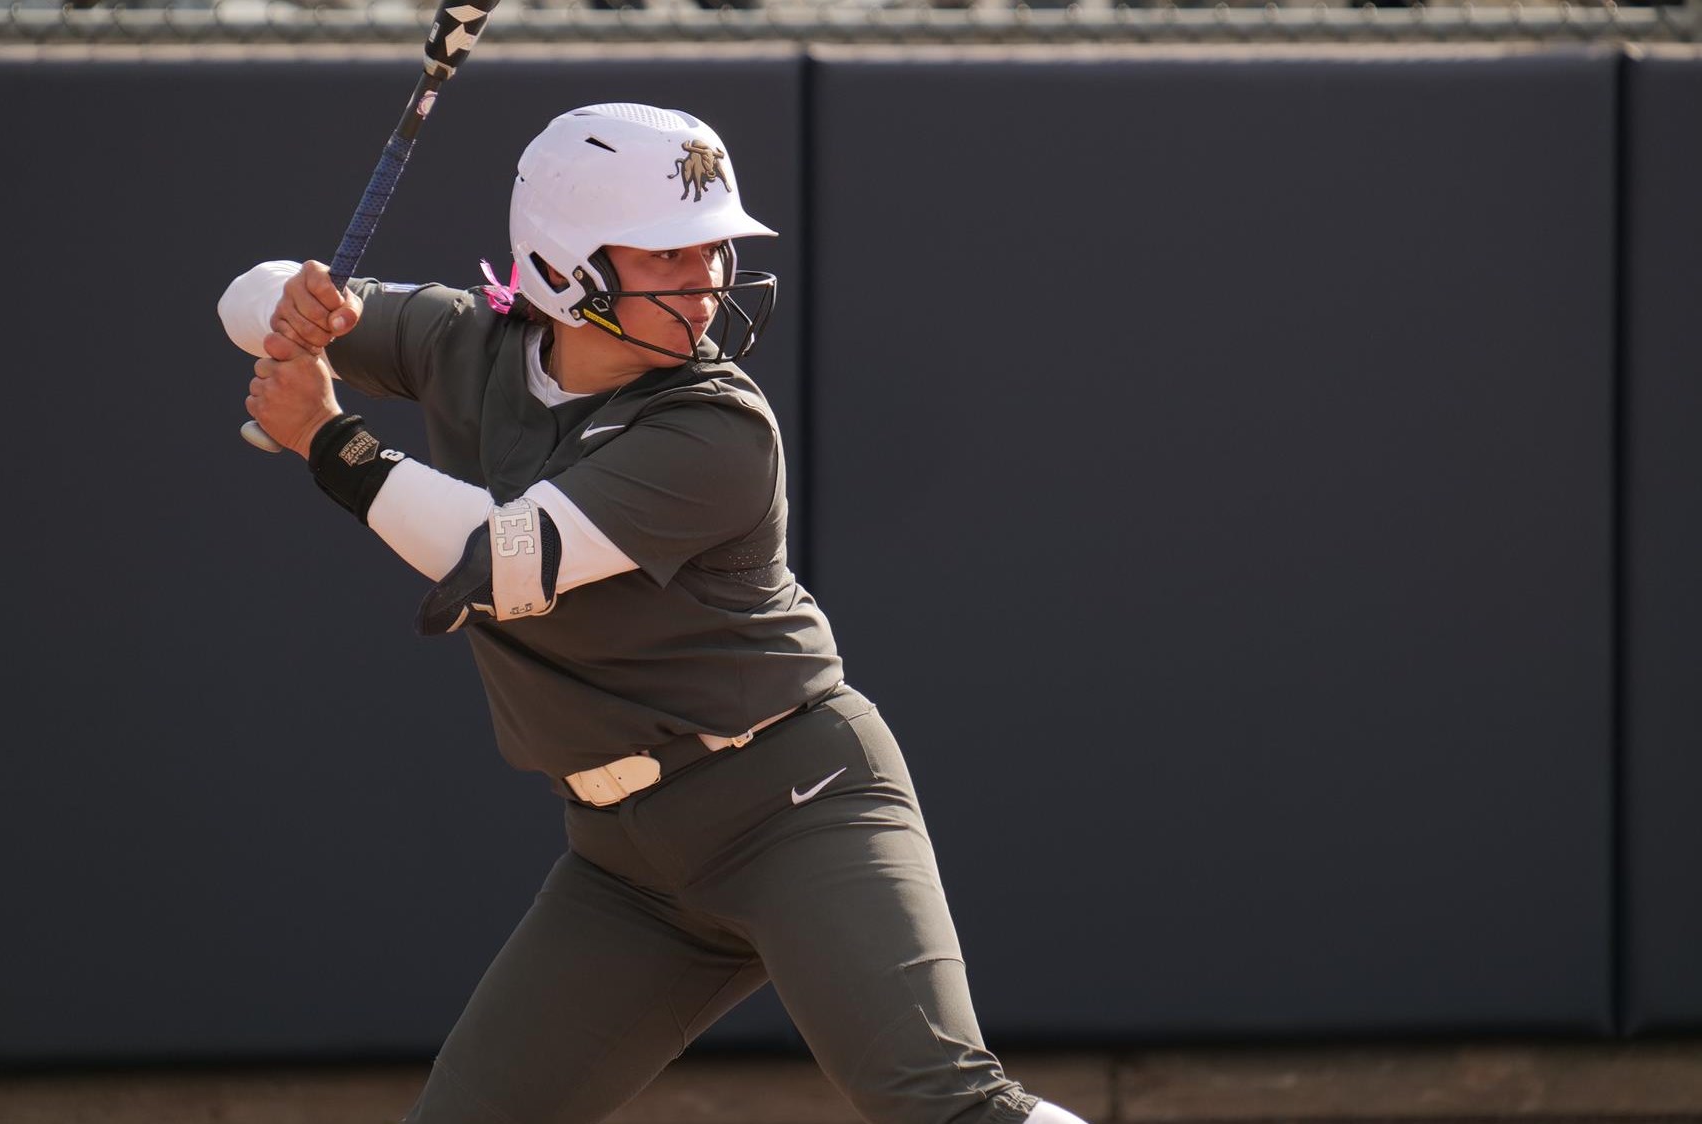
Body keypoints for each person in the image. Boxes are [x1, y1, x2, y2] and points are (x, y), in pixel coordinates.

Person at [218, 102, 1090, 1124]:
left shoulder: (715, 426)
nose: (708, 280)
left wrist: (331, 440)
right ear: (560, 266)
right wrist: (299, 309)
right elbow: (249, 295)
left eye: (712, 249)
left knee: (941, 1103)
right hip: (624, 858)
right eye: (669, 255)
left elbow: (495, 559)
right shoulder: (469, 340)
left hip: (794, 805)